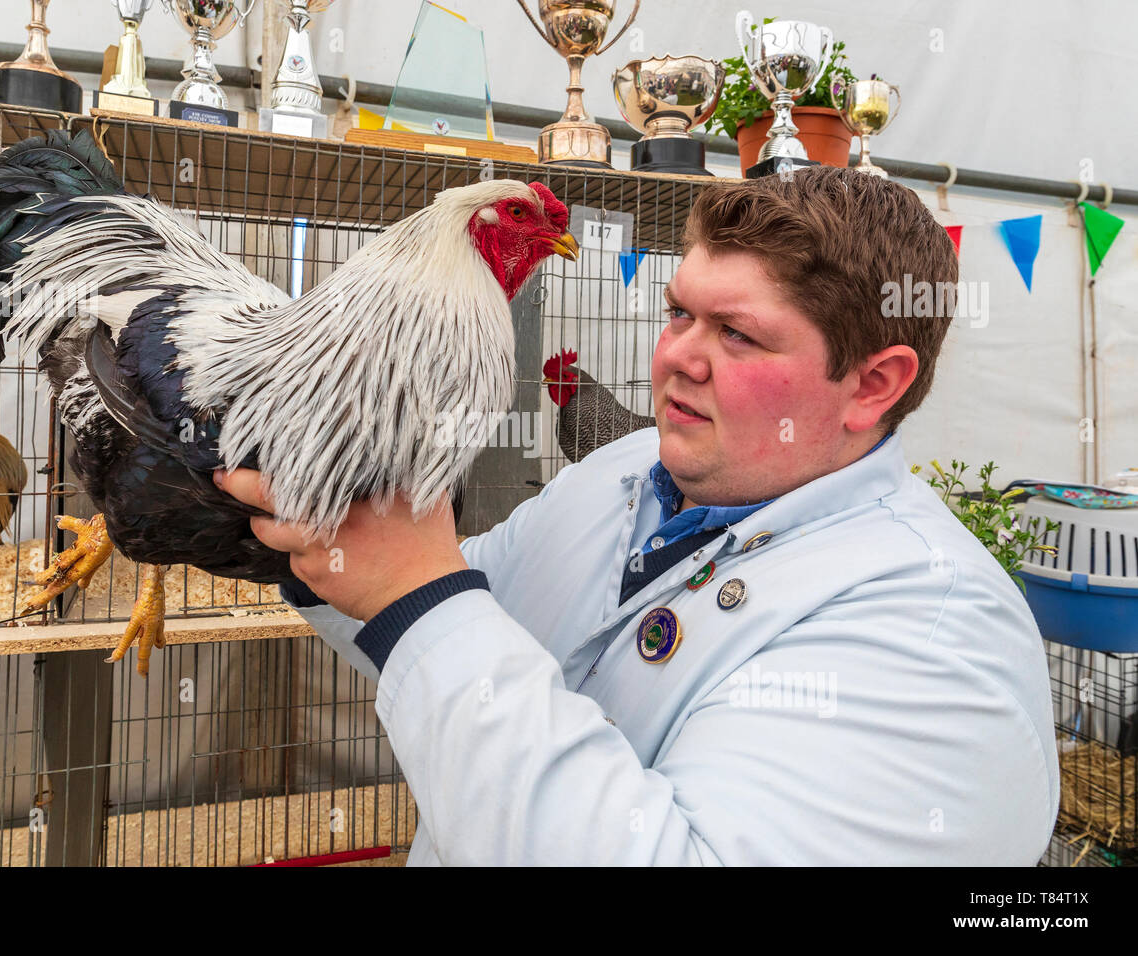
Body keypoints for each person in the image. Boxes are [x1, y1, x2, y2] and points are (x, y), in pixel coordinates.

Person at [214, 167, 1059, 865]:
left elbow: (431, 608)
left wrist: (417, 592)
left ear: (874, 384)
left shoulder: (937, 637)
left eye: (737, 334)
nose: (677, 357)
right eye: (679, 313)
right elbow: (450, 623)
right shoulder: (626, 470)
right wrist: (300, 544)